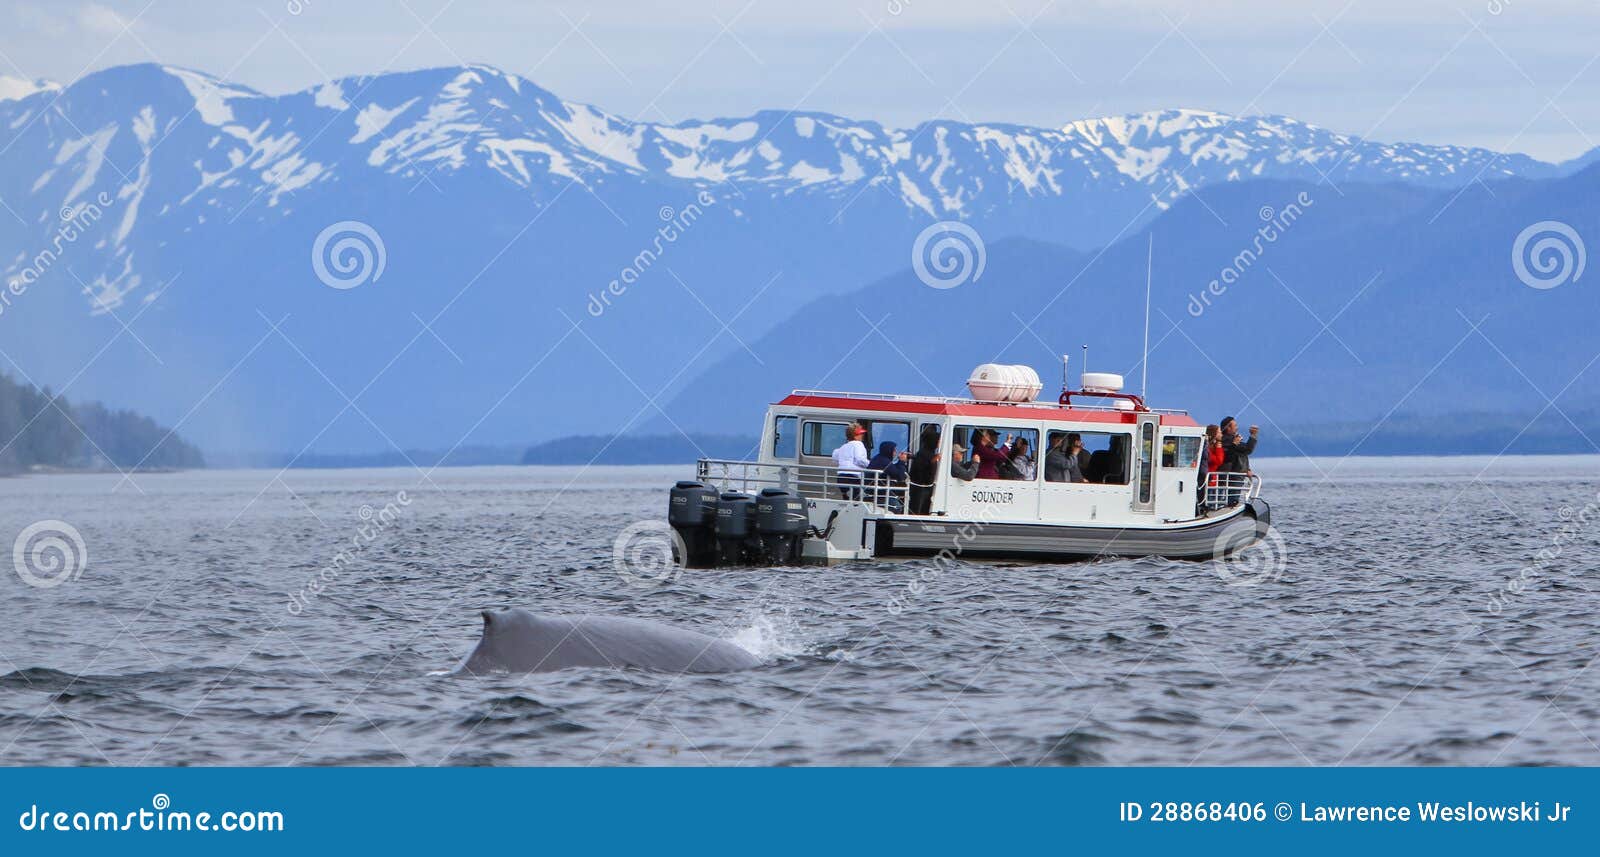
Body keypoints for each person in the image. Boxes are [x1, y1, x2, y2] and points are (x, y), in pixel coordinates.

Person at [1218, 416, 1259, 506]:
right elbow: (1248, 449)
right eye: (1235, 425)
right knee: (1232, 499)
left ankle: (1229, 506)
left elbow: (1241, 453)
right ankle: (1231, 507)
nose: (1237, 427)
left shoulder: (1228, 439)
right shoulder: (1229, 440)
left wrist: (1247, 468)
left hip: (1235, 473)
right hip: (1235, 473)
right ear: (1228, 428)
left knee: (1229, 497)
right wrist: (1253, 435)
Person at [831, 423, 870, 500]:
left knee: (847, 499)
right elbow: (859, 459)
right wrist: (870, 464)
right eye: (860, 434)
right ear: (855, 436)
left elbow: (835, 456)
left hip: (841, 477)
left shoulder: (844, 446)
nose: (862, 435)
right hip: (853, 477)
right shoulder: (858, 444)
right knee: (856, 501)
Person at [867, 440, 909, 508]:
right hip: (880, 493)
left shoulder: (878, 458)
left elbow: (893, 469)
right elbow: (900, 476)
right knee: (897, 507)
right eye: (894, 450)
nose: (896, 452)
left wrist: (900, 462)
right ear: (889, 451)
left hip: (875, 490)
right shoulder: (884, 461)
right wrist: (902, 462)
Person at [908, 428, 941, 515]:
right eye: (938, 440)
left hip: (926, 487)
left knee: (924, 508)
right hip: (920, 487)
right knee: (917, 510)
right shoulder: (923, 453)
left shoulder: (929, 453)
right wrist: (932, 461)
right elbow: (920, 469)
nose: (939, 442)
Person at [1199, 424, 1222, 510]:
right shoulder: (1207, 447)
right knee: (1208, 499)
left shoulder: (1212, 446)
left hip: (1212, 479)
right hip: (1208, 478)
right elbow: (1218, 460)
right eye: (1219, 432)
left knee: (1211, 499)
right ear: (1213, 434)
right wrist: (1219, 448)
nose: (1221, 434)